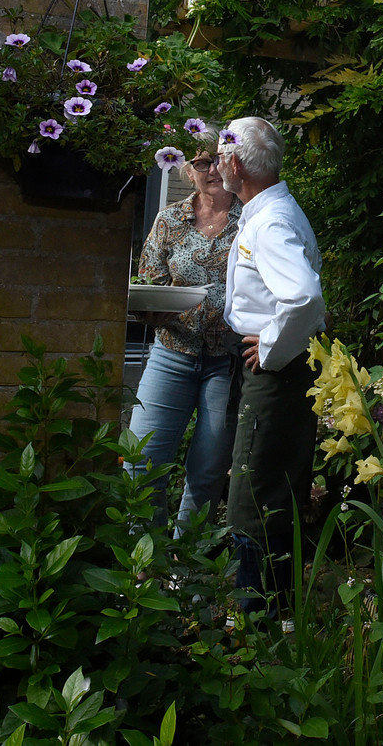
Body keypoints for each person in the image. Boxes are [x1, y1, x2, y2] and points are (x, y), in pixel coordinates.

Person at [218, 116, 325, 623]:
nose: (218, 163)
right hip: (280, 369)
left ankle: (253, 624)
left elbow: (302, 297)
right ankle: (279, 615)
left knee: (254, 493)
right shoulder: (270, 211)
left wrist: (271, 348)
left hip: (275, 374)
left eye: (222, 154)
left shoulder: (271, 222)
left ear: (236, 165)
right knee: (275, 488)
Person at [126, 133, 241, 530]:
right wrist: (151, 310)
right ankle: (146, 557)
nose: (212, 169)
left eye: (218, 160)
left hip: (226, 363)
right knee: (141, 463)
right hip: (171, 354)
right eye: (202, 163)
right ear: (188, 172)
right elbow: (148, 281)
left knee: (208, 473)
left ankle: (187, 562)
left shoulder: (252, 220)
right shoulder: (169, 220)